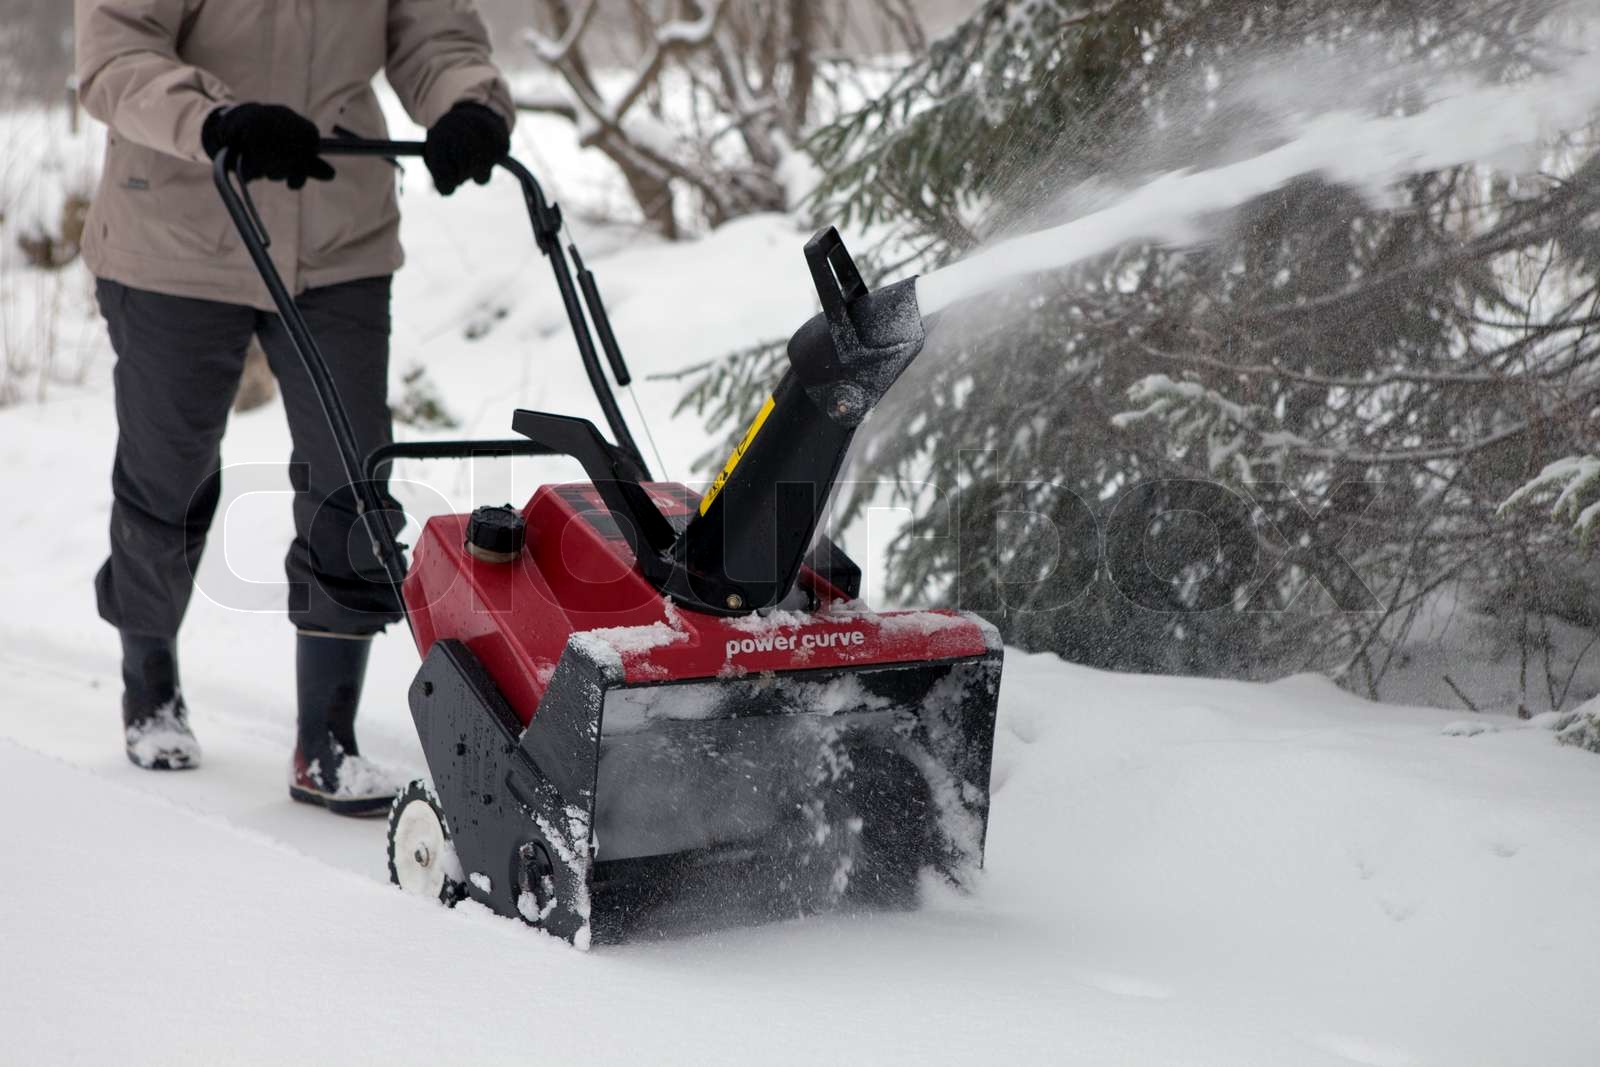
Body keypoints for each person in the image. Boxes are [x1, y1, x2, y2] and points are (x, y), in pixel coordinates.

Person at [75, 0, 514, 815]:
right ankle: (150, 685)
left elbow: (432, 34)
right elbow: (115, 52)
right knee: (167, 472)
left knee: (353, 478)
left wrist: (468, 104)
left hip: (336, 227)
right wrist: (216, 119)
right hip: (177, 230)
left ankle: (328, 740)